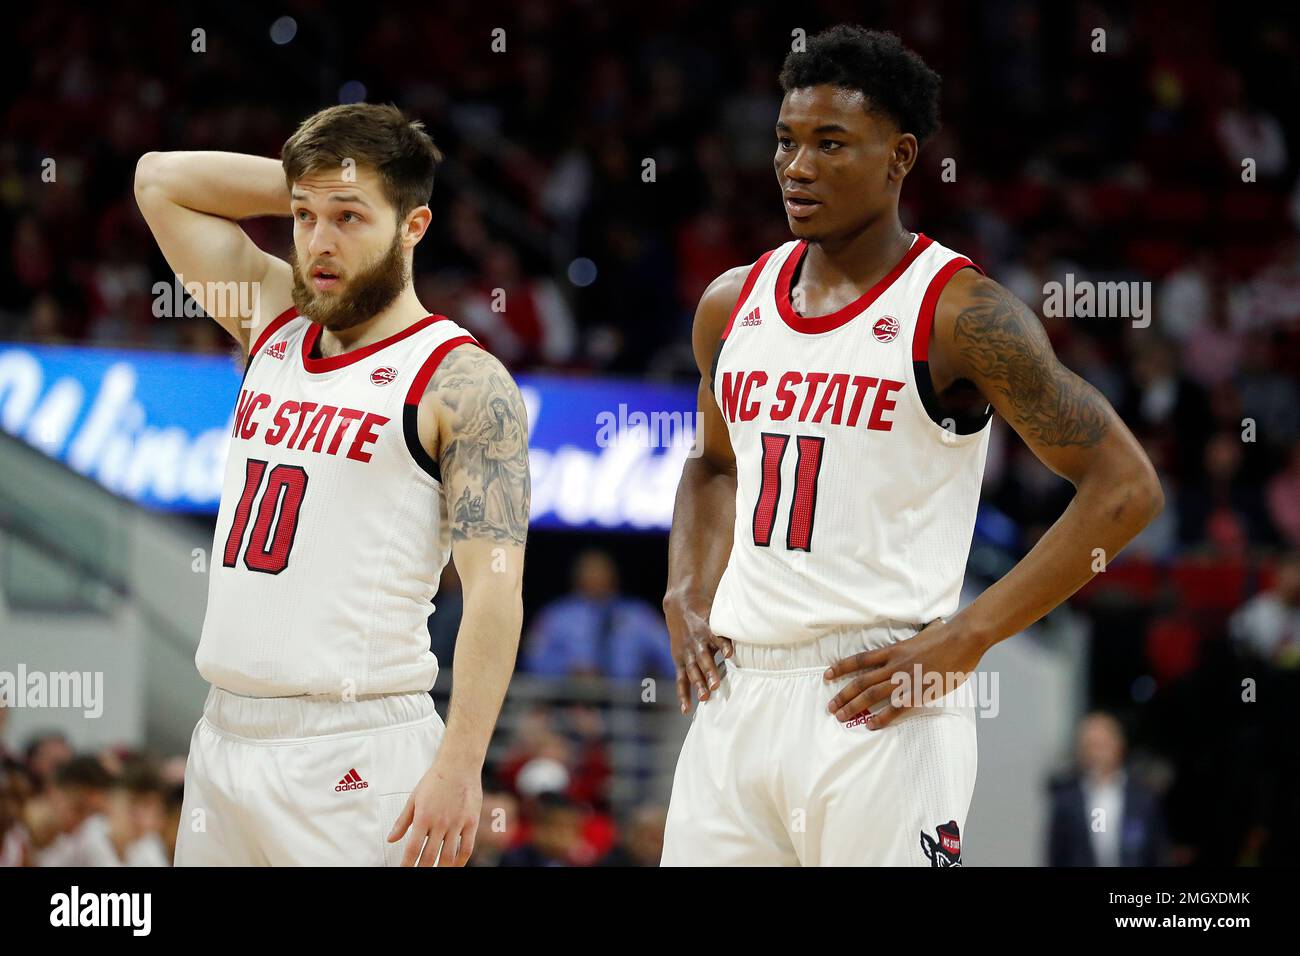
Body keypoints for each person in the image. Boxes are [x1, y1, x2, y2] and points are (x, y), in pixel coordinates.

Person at [661, 26, 1163, 866]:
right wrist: (685, 586)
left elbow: (1126, 488)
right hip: (738, 695)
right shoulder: (729, 303)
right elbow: (714, 464)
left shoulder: (962, 314)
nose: (798, 166)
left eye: (830, 144)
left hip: (884, 693)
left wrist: (969, 635)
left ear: (898, 158)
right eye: (786, 142)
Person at [134, 103, 530, 866]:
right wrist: (313, 181)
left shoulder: (462, 381)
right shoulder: (271, 321)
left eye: (348, 217)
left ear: (413, 226)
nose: (318, 241)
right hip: (223, 735)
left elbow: (493, 589)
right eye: (303, 215)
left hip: (359, 749)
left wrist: (459, 760)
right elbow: (160, 180)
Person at [1047, 712, 1166, 867]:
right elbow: (1057, 854)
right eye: (1090, 746)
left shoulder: (1143, 798)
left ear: (1119, 746)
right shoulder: (1066, 800)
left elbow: (1156, 852)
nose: (1096, 754)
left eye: (1102, 746)